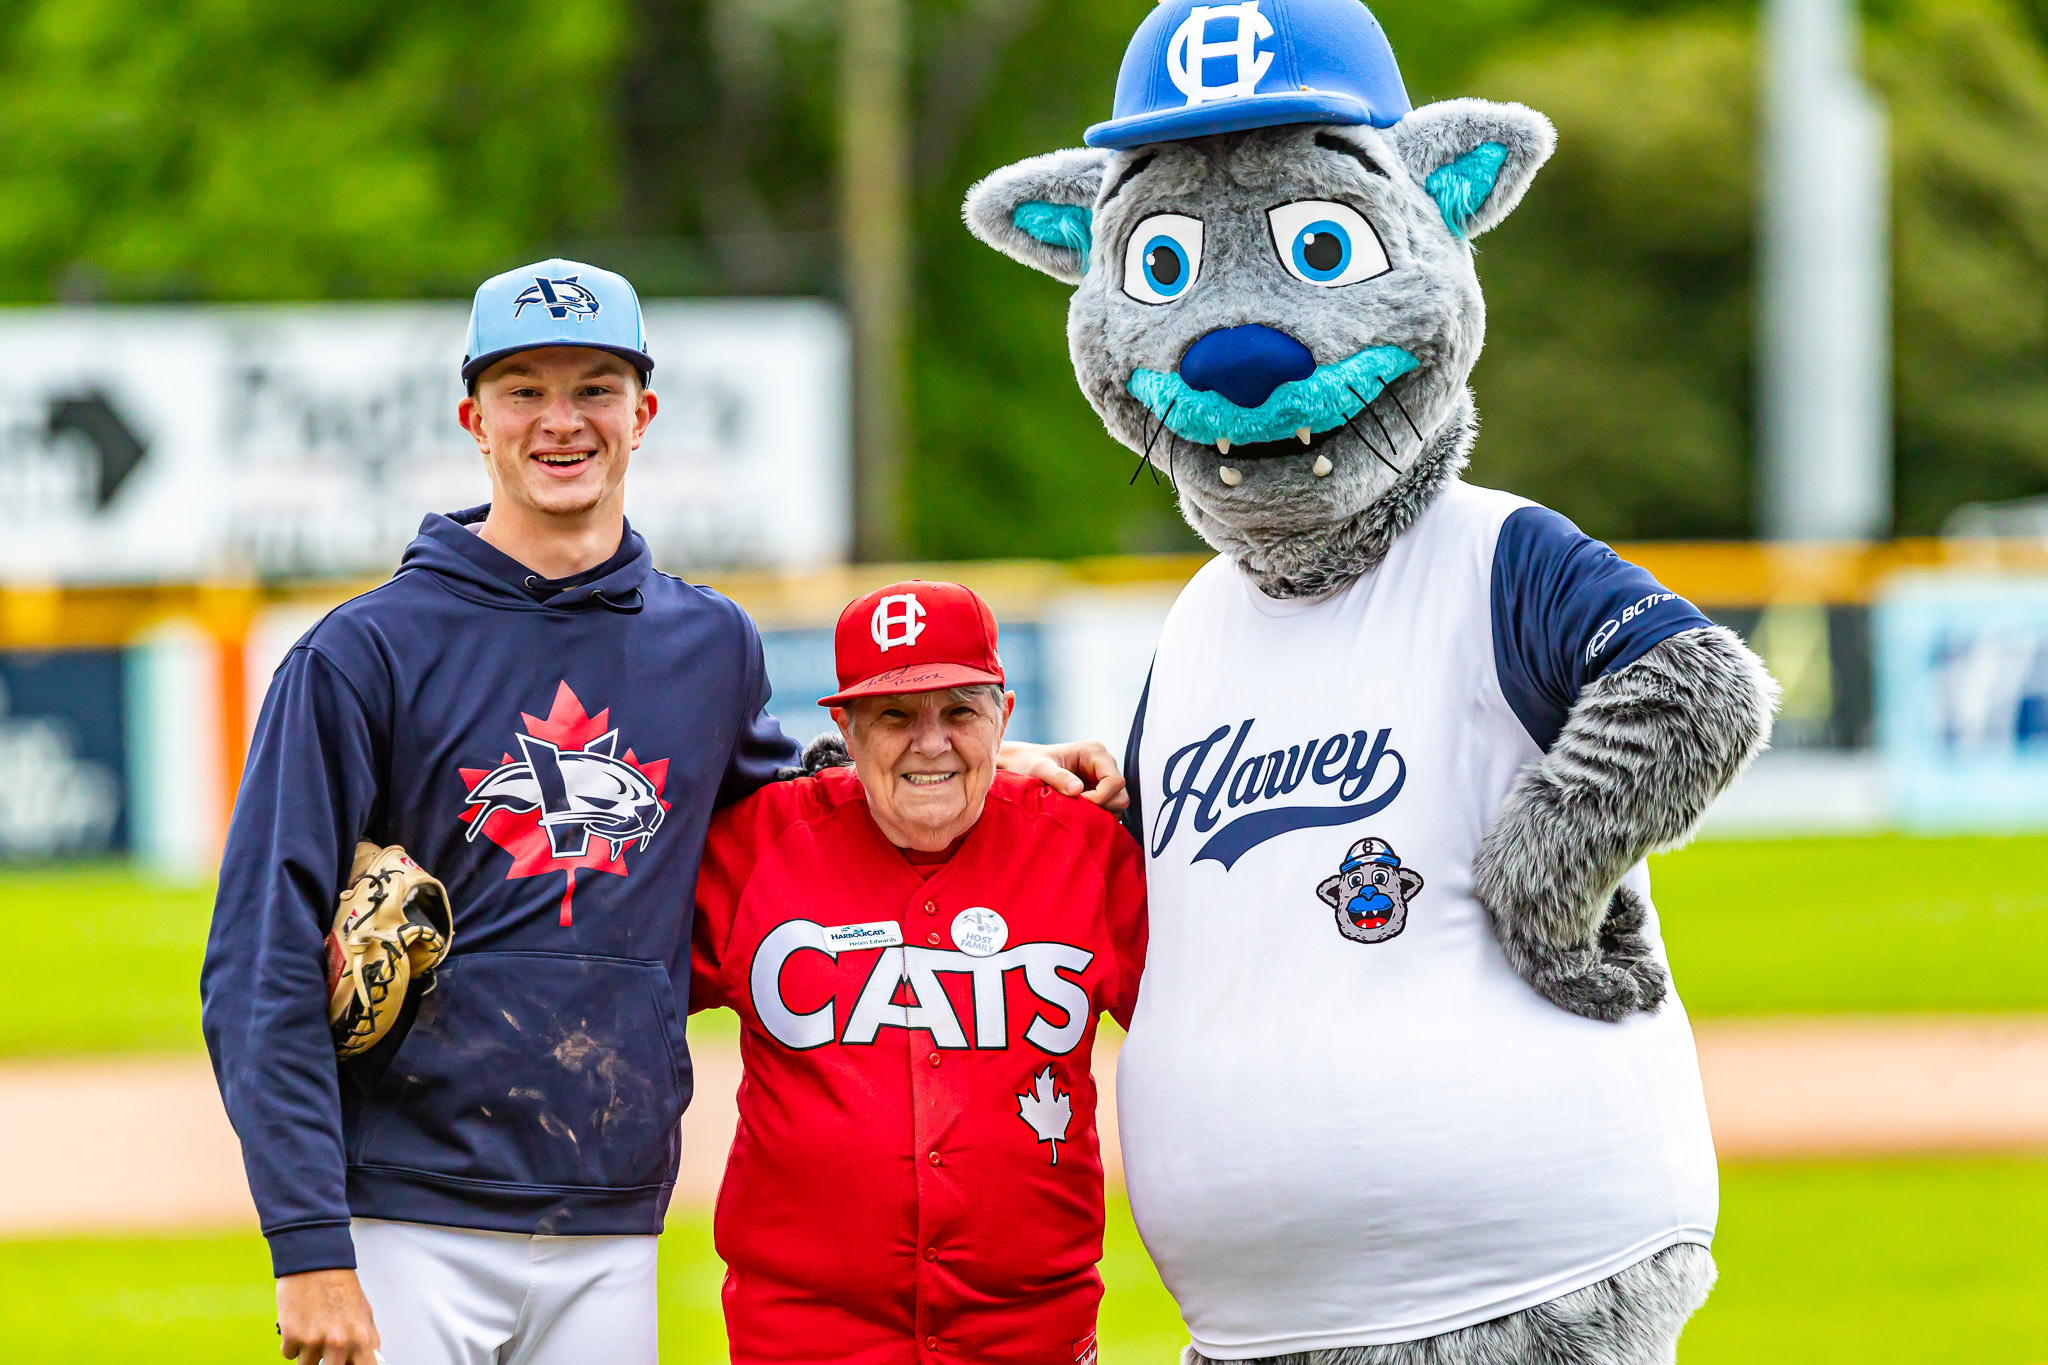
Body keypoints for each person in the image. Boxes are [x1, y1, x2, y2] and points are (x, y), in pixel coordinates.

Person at [200, 260, 1123, 1365]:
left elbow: (789, 815)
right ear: (472, 419)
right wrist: (308, 1246)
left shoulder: (706, 645)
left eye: (593, 387)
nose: (560, 420)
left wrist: (976, 760)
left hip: (611, 1219)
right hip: (408, 1210)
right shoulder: (364, 653)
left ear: (642, 414)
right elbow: (259, 958)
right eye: (523, 389)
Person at [690, 579, 1148, 1365]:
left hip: (1029, 1334)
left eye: (960, 711)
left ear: (1003, 712)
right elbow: (609, 981)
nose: (929, 741)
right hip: (804, 1336)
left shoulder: (1087, 849)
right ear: (844, 725)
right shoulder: (755, 846)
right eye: (895, 715)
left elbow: (1215, 1023)